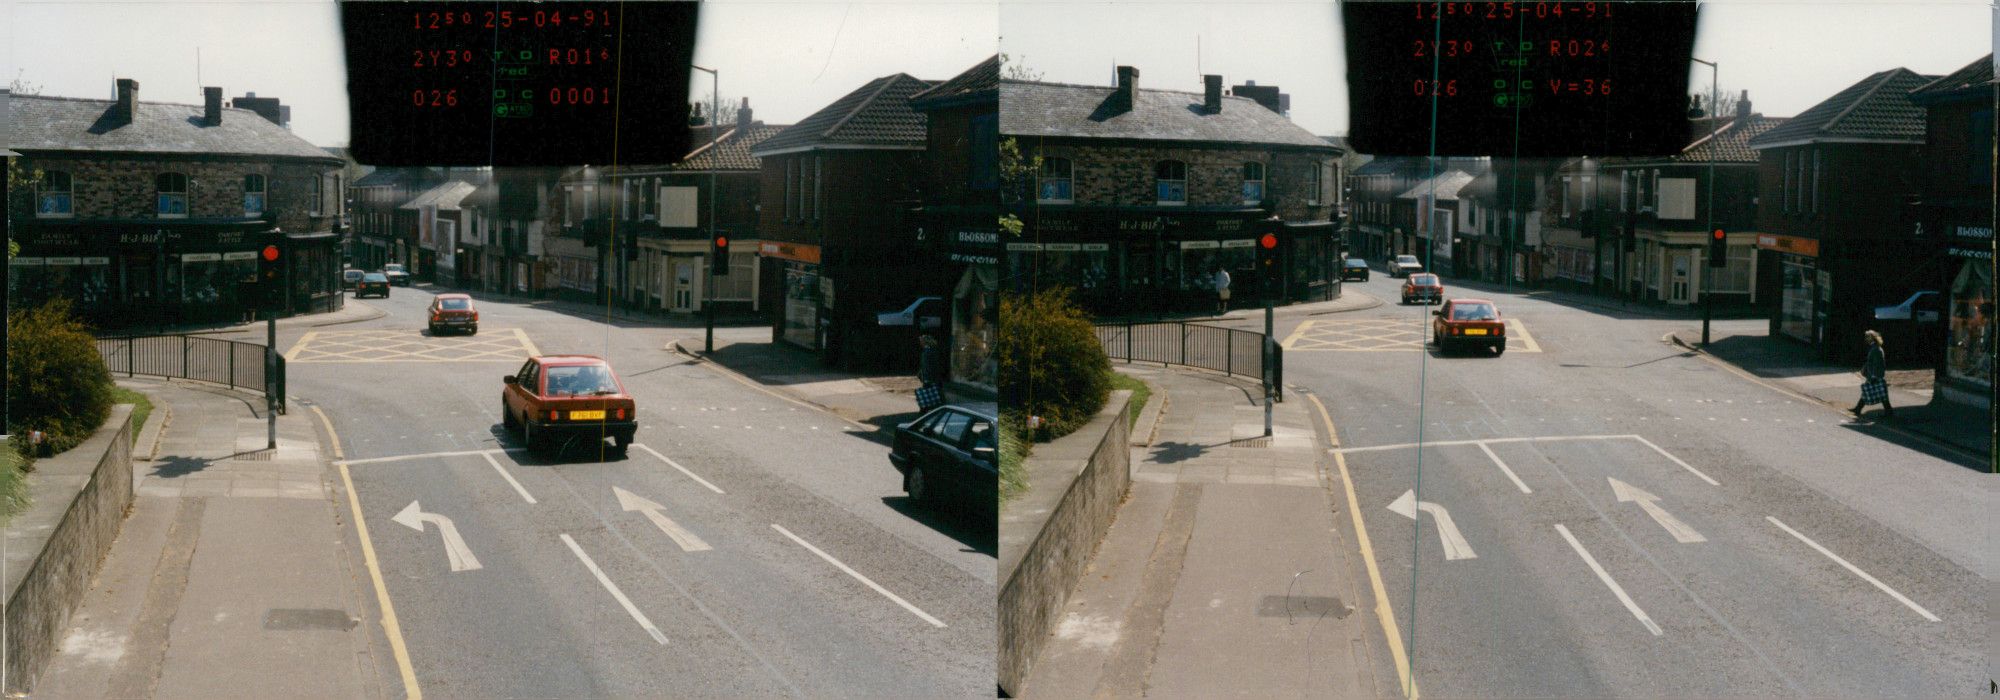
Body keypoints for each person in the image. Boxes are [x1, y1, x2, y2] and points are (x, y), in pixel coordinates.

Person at [1851, 330, 1893, 419]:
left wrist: (1874, 376)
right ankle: (1858, 409)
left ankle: (1889, 412)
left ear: (1871, 338)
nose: (1866, 339)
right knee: (1870, 392)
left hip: (1875, 376)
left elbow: (1877, 364)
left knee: (1881, 394)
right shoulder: (1874, 347)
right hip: (1873, 375)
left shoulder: (1876, 349)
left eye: (1867, 337)